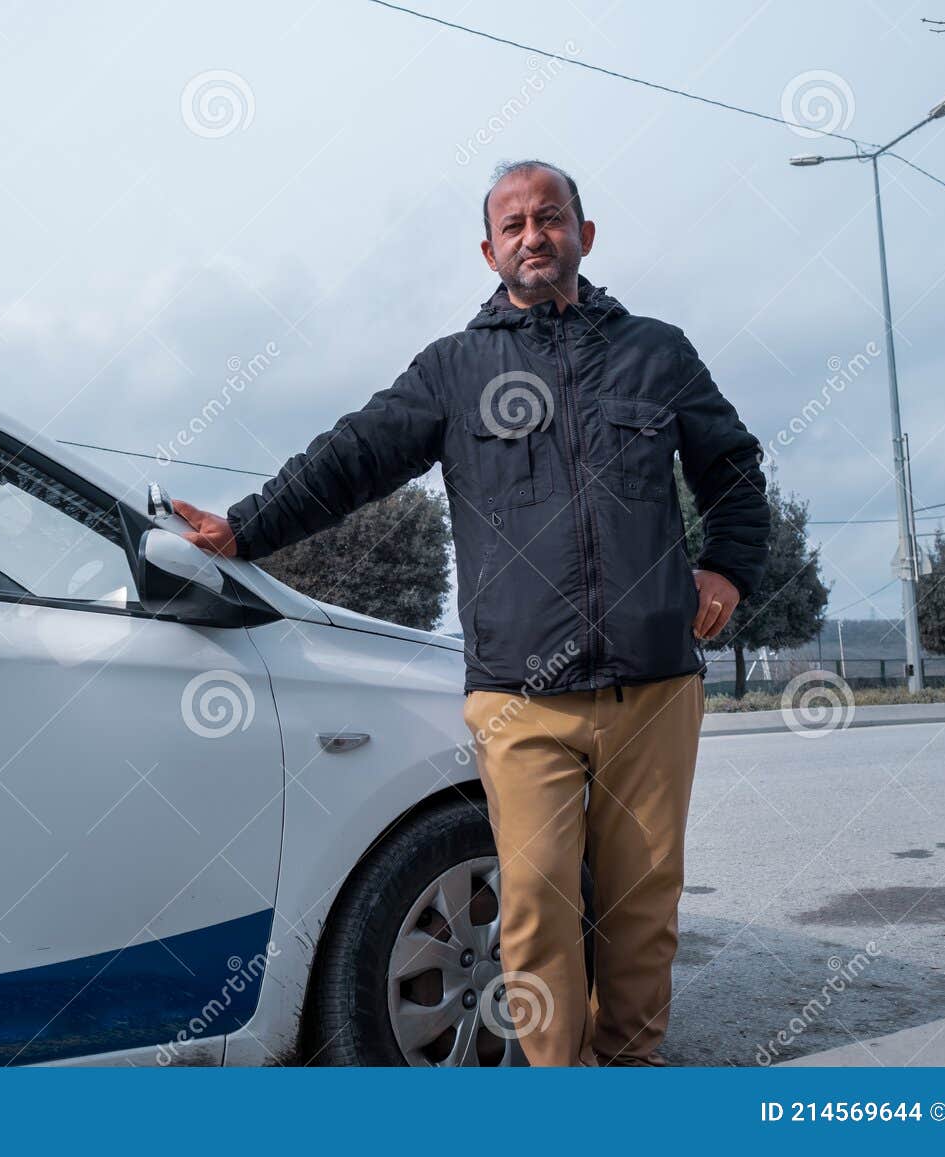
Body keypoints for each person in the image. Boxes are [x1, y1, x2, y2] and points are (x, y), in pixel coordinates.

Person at [173, 159, 770, 1066]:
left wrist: (726, 567)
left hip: (654, 688)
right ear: (488, 250)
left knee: (643, 911)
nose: (535, 235)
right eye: (515, 224)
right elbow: (354, 455)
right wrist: (246, 527)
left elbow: (734, 468)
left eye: (552, 217)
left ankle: (636, 1067)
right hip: (520, 696)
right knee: (534, 908)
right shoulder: (453, 370)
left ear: (585, 233)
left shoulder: (659, 352)